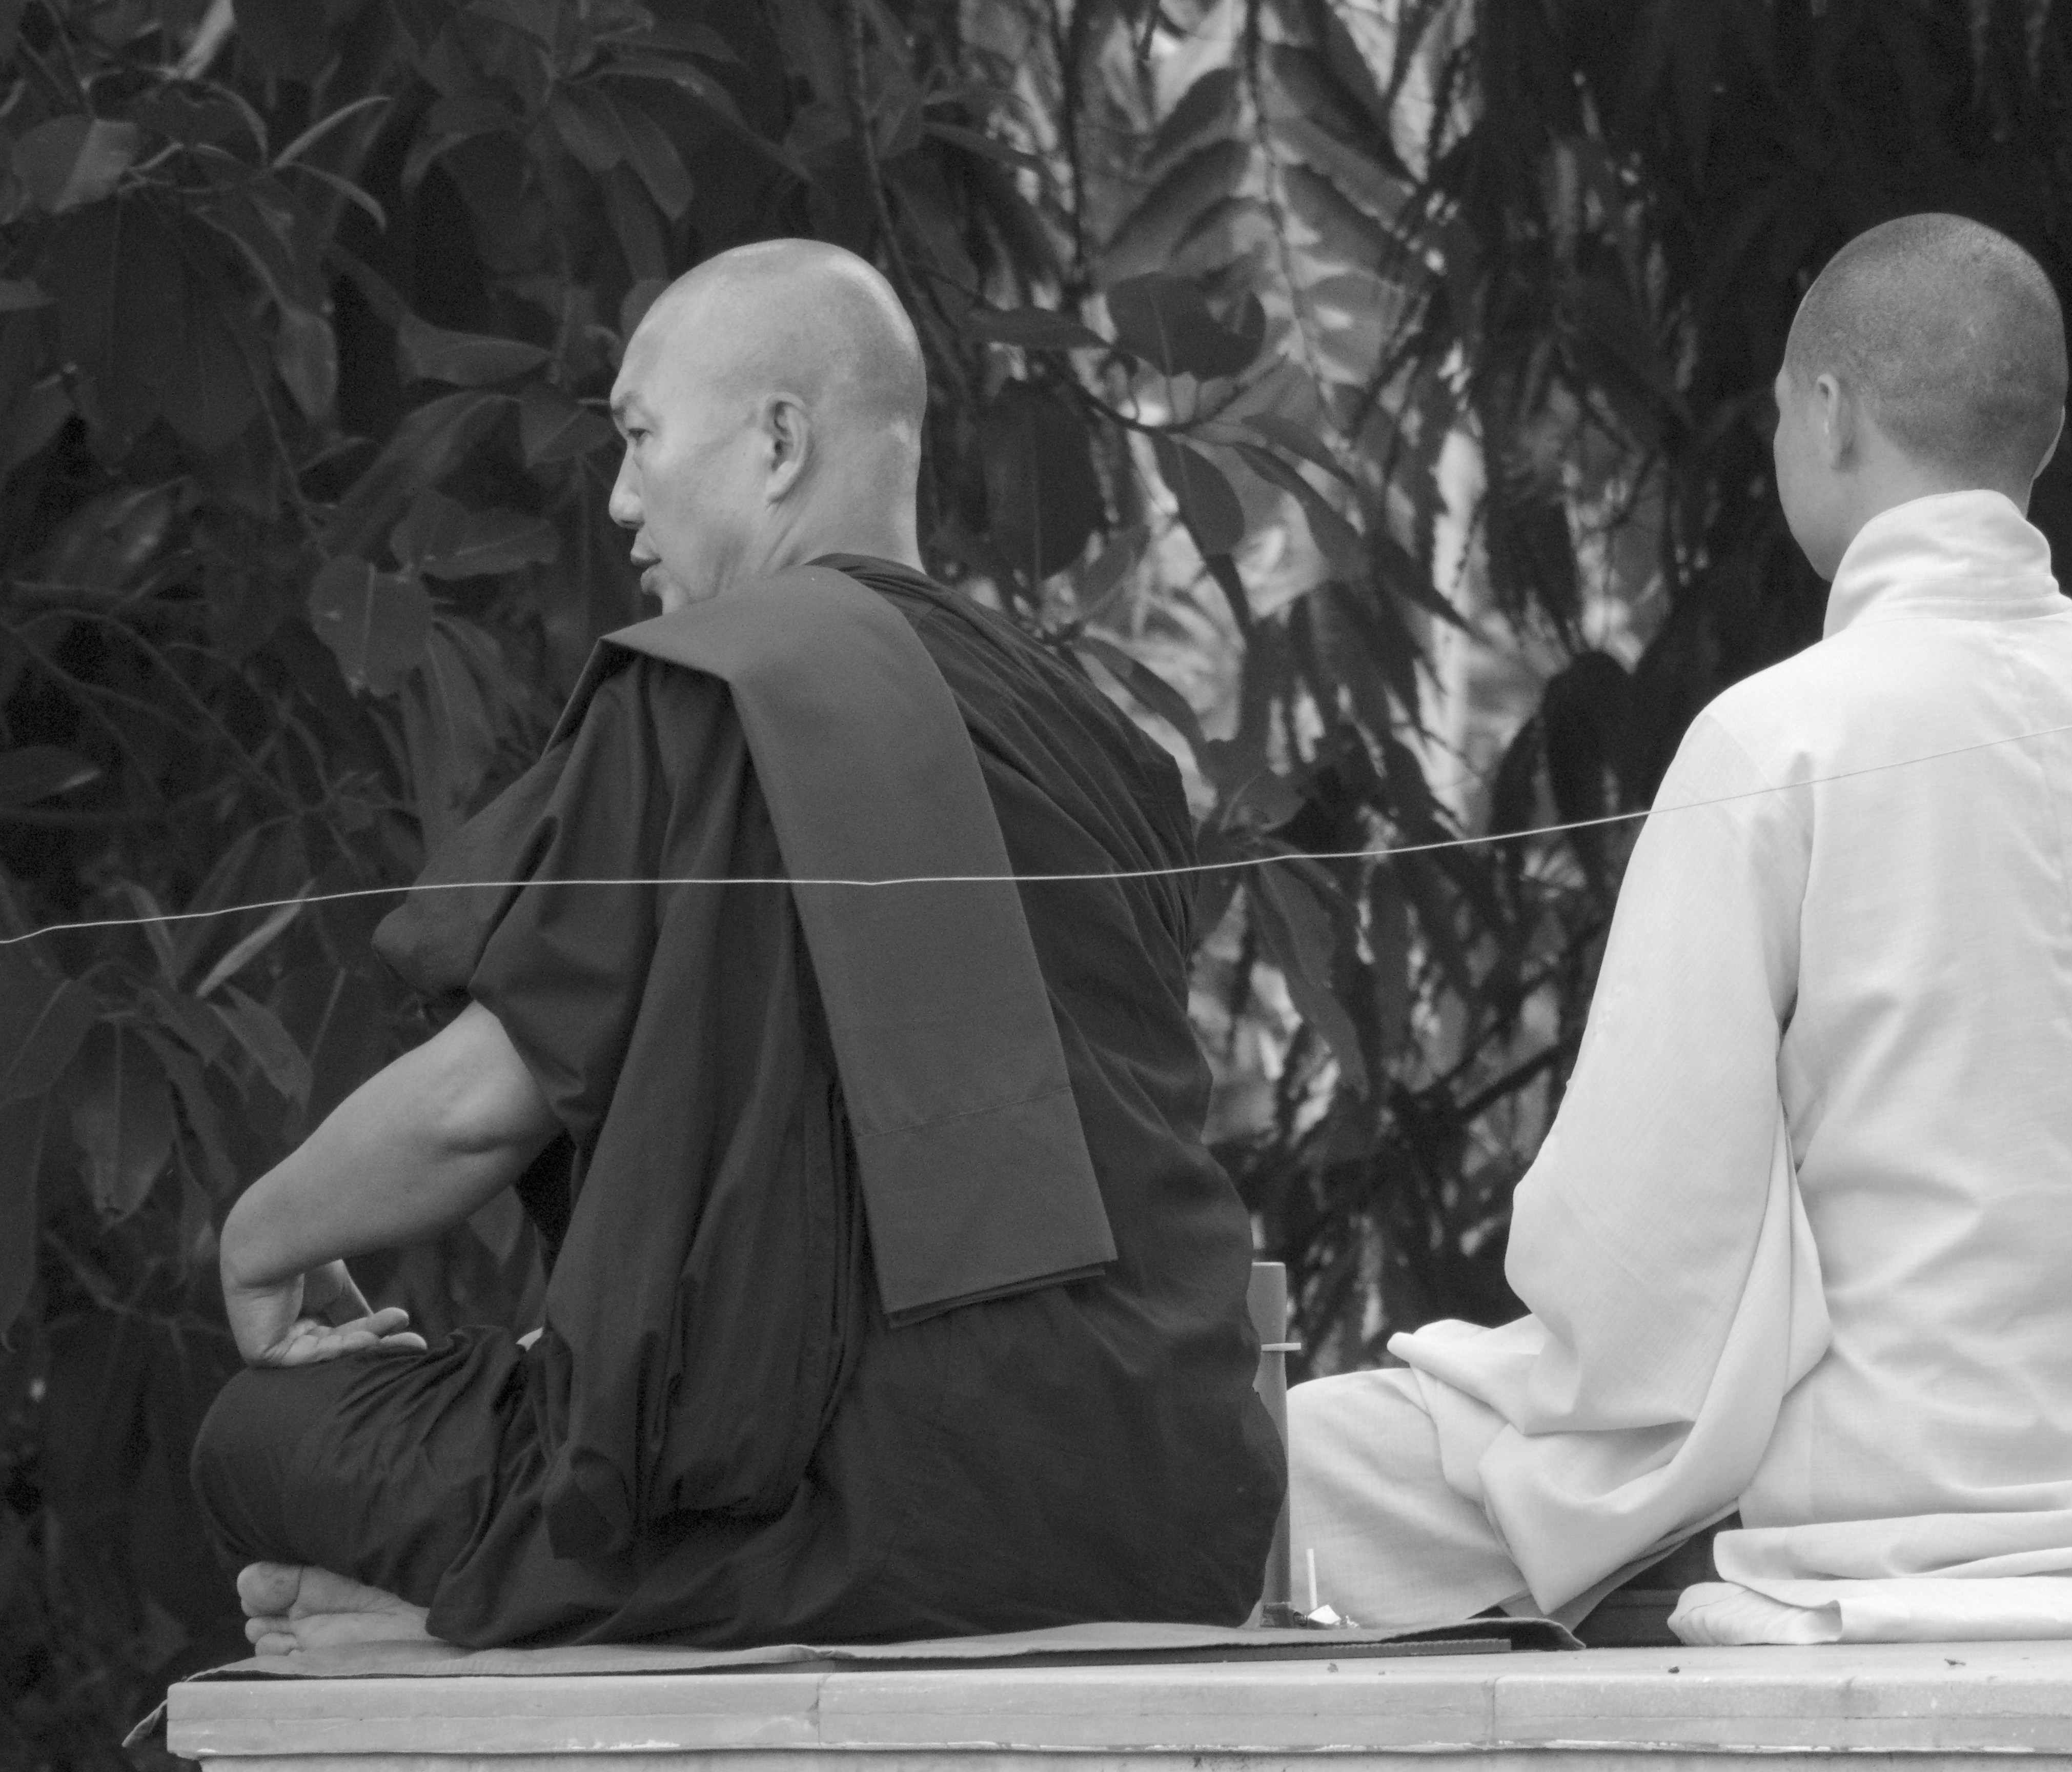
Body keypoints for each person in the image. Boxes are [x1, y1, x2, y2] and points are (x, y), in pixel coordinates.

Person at [191, 238, 1285, 1652]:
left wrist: (260, 1237)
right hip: (1161, 1512)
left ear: (778, 442)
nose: (621, 498)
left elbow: (477, 1109)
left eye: (642, 439)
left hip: (833, 1524)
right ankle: (445, 1601)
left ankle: (450, 1606)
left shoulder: (725, 689)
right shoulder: (1090, 739)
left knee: (259, 1435)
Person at [1286, 213, 2072, 1645]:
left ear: (1831, 413)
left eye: (1788, 411)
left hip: (1895, 1496)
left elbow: (1648, 1256)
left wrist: (1551, 1391)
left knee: (1306, 1459)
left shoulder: (1779, 738)